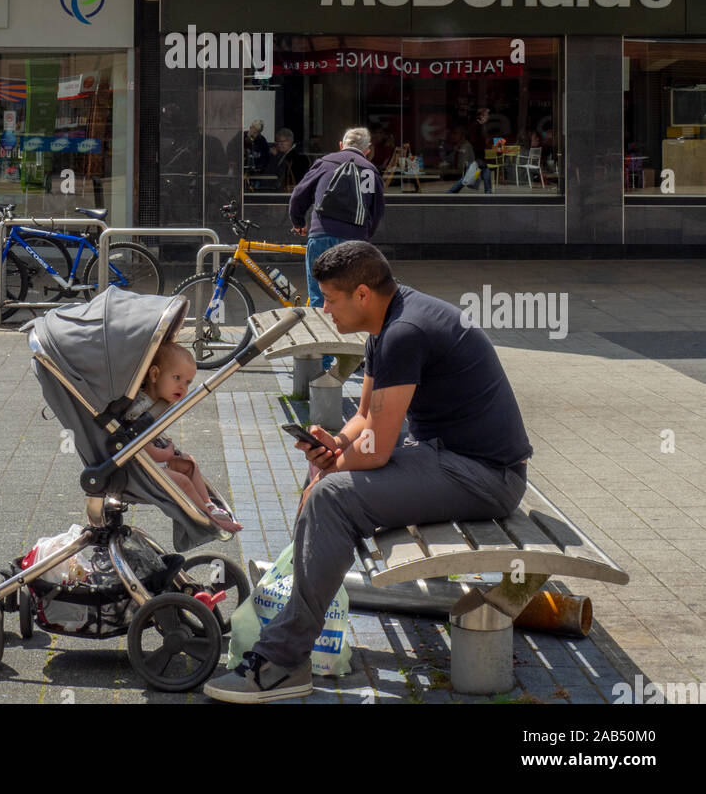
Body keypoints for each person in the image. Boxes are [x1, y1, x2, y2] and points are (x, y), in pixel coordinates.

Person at [204, 241, 532, 702]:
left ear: (361, 294)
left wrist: (337, 463)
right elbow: (363, 417)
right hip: (449, 456)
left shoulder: (405, 331)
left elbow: (375, 449)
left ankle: (282, 661)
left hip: (485, 476)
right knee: (325, 482)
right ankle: (293, 619)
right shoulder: (390, 319)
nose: (322, 308)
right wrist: (333, 445)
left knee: (332, 496)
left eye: (329, 299)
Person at [125, 342, 241, 534]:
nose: (183, 387)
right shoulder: (139, 407)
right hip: (137, 467)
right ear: (154, 375)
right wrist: (164, 454)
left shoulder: (156, 402)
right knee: (183, 481)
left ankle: (208, 504)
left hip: (151, 462)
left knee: (189, 463)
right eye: (177, 378)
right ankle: (209, 517)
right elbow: (137, 444)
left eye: (187, 382)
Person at [287, 127, 384, 308]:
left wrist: (298, 222)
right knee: (350, 295)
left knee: (319, 296)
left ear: (341, 145)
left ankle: (320, 333)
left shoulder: (325, 163)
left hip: (321, 235)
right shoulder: (369, 171)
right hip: (354, 240)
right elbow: (376, 211)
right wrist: (365, 236)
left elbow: (299, 195)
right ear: (367, 150)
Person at [447, 106, 493, 193]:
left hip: (479, 155)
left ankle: (488, 192)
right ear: (481, 116)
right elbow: (474, 140)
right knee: (468, 177)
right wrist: (483, 144)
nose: (488, 117)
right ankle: (451, 192)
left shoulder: (481, 126)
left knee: (480, 173)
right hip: (476, 155)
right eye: (486, 115)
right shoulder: (475, 126)